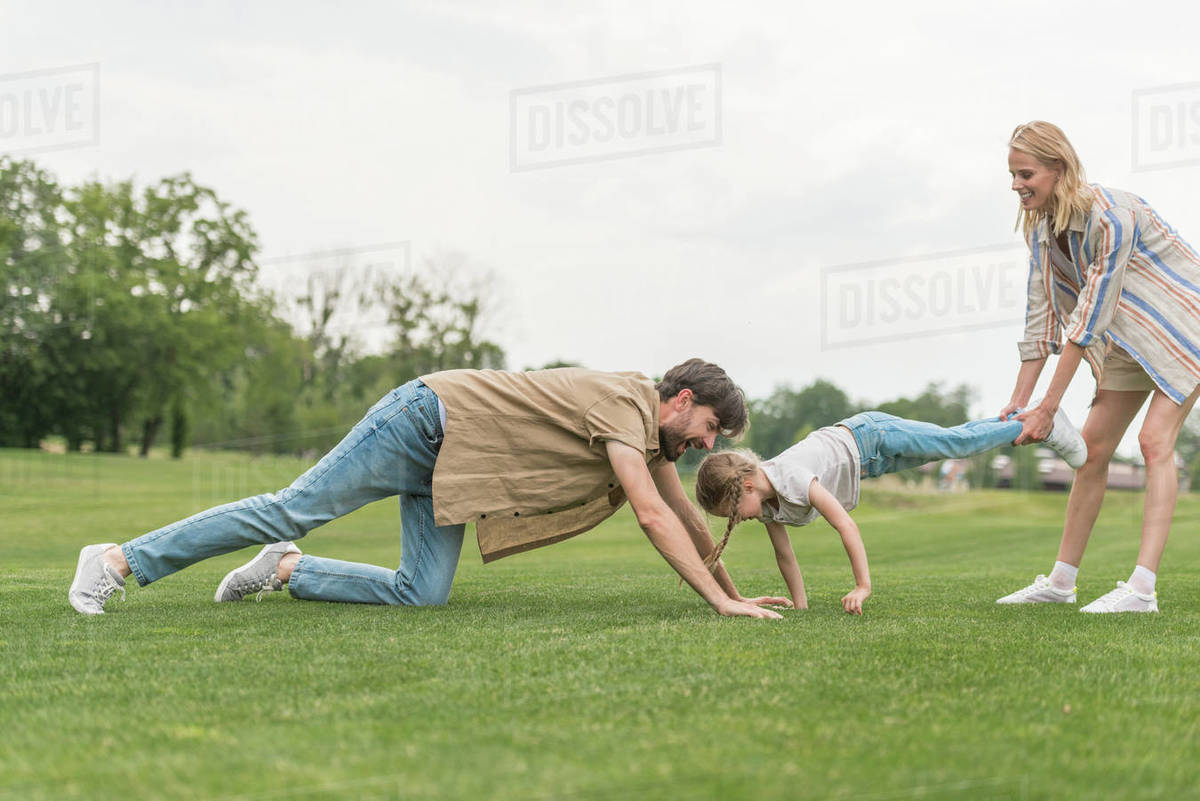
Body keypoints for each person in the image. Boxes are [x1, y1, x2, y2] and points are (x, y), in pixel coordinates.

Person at [69, 359, 788, 619]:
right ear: (682, 398)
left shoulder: (653, 437)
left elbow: (687, 520)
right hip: (424, 422)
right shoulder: (624, 403)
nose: (709, 445)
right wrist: (719, 602)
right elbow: (653, 517)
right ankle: (116, 560)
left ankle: (286, 569)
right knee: (293, 506)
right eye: (710, 427)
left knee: (422, 592)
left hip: (457, 465)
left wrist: (734, 593)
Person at [995, 120, 1200, 613]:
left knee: (1154, 442)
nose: (1017, 185)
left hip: (1184, 326)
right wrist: (1019, 405)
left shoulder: (1112, 217)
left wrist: (1049, 407)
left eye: (1026, 174)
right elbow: (1042, 317)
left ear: (1058, 168)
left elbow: (1088, 318)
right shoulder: (1041, 232)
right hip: (1128, 340)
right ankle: (1061, 583)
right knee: (1091, 451)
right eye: (1013, 175)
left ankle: (1142, 590)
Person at [691, 408, 1087, 614]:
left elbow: (845, 525)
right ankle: (1019, 417)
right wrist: (800, 606)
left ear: (746, 486)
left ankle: (1043, 421)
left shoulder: (791, 478)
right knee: (951, 440)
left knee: (955, 445)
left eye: (733, 512)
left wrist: (862, 586)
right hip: (871, 463)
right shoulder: (766, 505)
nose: (737, 520)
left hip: (873, 436)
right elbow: (785, 555)